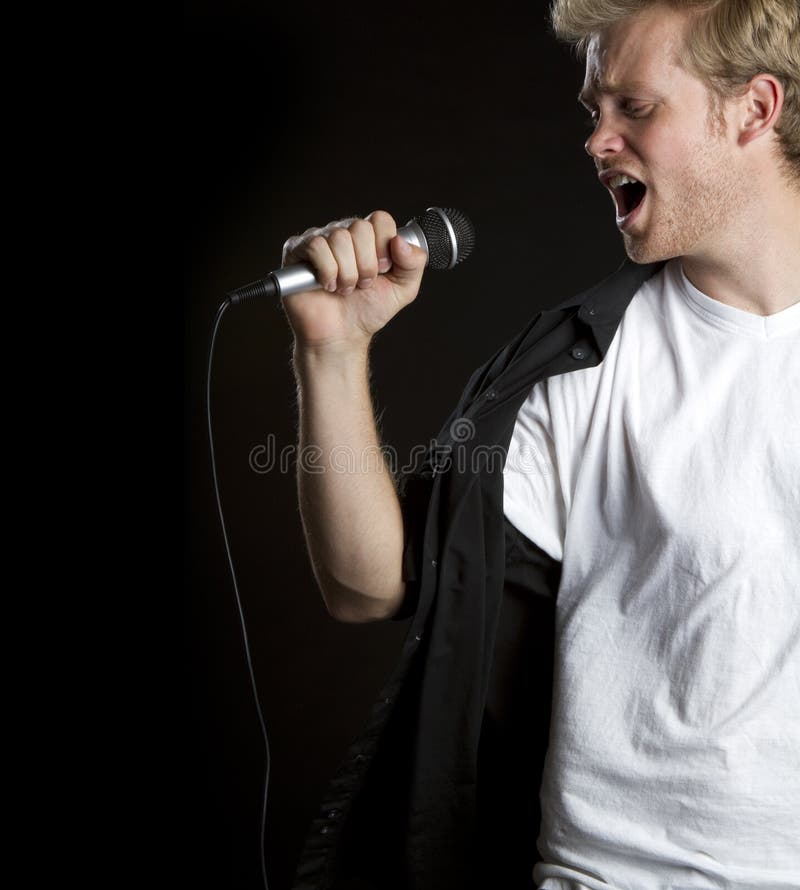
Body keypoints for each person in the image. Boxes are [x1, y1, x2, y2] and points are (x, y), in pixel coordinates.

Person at [281, 1, 800, 888]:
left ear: (755, 110)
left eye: (634, 108)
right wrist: (332, 351)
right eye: (593, 112)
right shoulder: (578, 365)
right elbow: (371, 586)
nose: (597, 141)